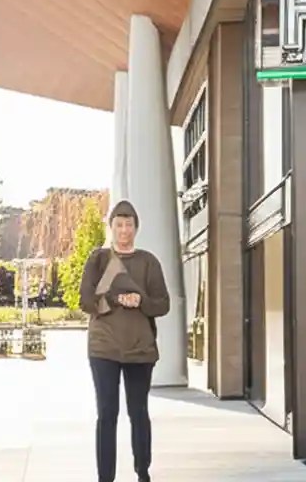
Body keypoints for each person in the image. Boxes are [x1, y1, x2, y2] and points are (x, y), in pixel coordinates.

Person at [79, 200, 170, 482]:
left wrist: (141, 300)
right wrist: (116, 299)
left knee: (138, 412)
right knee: (107, 414)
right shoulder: (98, 259)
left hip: (140, 350)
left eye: (129, 224)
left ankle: (143, 471)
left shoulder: (148, 262)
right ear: (111, 227)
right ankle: (105, 477)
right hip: (103, 348)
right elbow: (85, 301)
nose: (124, 230)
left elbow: (162, 304)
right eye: (118, 224)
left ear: (136, 228)